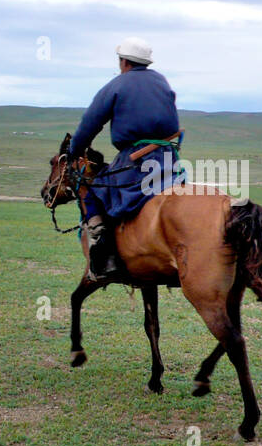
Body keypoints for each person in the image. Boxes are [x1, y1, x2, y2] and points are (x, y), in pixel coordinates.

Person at [68, 37, 183, 281]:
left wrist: (74, 151)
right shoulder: (161, 81)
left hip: (135, 161)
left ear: (123, 62)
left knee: (94, 190)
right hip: (168, 160)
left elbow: (90, 124)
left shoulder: (116, 85)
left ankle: (104, 253)